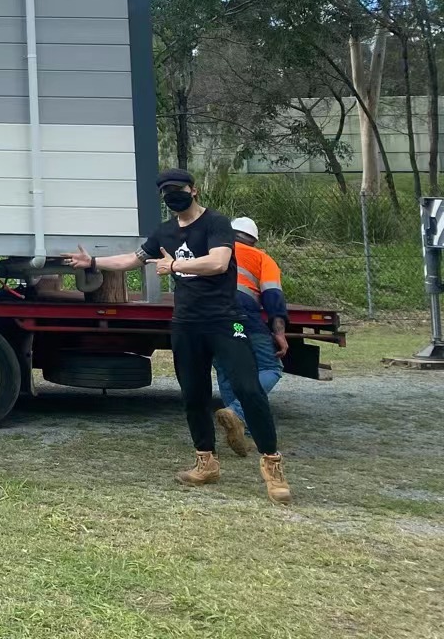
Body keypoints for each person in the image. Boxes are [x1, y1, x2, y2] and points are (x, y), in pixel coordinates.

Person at [68, 169, 291, 504]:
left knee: (248, 388)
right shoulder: (165, 232)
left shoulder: (216, 223)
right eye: (165, 192)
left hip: (225, 321)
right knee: (193, 395)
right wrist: (94, 261)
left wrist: (173, 266)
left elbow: (218, 263)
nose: (172, 195)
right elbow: (133, 258)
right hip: (186, 324)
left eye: (177, 189)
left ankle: (272, 466)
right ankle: (206, 463)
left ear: (193, 190)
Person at [213, 216, 288, 457]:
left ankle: (240, 429)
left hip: (212, 317)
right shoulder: (262, 258)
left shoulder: (212, 250)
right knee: (271, 368)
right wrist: (279, 332)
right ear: (253, 240)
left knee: (226, 369)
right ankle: (237, 411)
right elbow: (273, 296)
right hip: (244, 317)